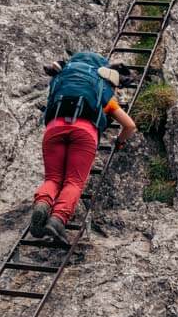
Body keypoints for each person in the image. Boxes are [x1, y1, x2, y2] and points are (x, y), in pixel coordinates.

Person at [29, 51, 136, 242]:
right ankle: (57, 220)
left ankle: (42, 205)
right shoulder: (101, 89)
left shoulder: (62, 80)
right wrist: (119, 142)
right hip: (84, 133)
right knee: (73, 181)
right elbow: (129, 126)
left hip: (54, 129)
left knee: (53, 178)